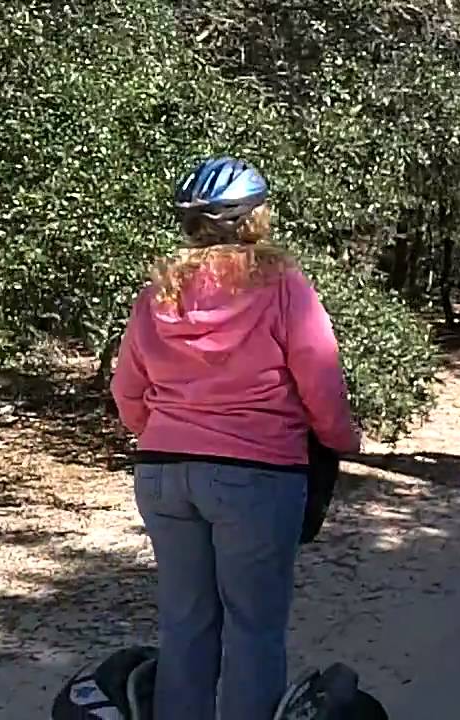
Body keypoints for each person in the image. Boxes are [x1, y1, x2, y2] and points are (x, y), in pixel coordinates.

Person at [111, 156, 362, 720]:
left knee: (185, 623)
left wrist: (159, 432)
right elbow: (319, 377)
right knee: (252, 626)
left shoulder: (159, 293)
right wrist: (341, 439)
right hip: (256, 474)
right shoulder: (280, 284)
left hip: (163, 472)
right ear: (257, 217)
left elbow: (127, 388)